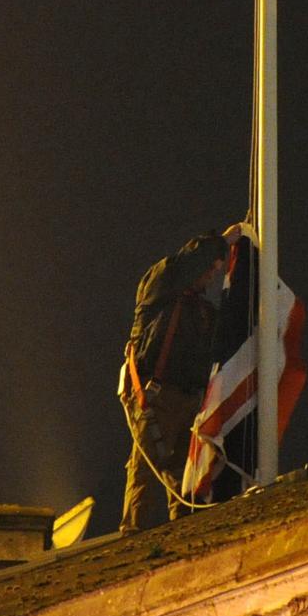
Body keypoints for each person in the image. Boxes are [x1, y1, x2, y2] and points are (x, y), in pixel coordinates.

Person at [118, 225, 243, 534]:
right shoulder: (160, 287)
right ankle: (133, 539)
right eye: (210, 269)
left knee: (185, 475)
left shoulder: (201, 310)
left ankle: (185, 535)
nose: (211, 276)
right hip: (156, 397)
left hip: (189, 401)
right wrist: (222, 243)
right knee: (146, 470)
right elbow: (189, 261)